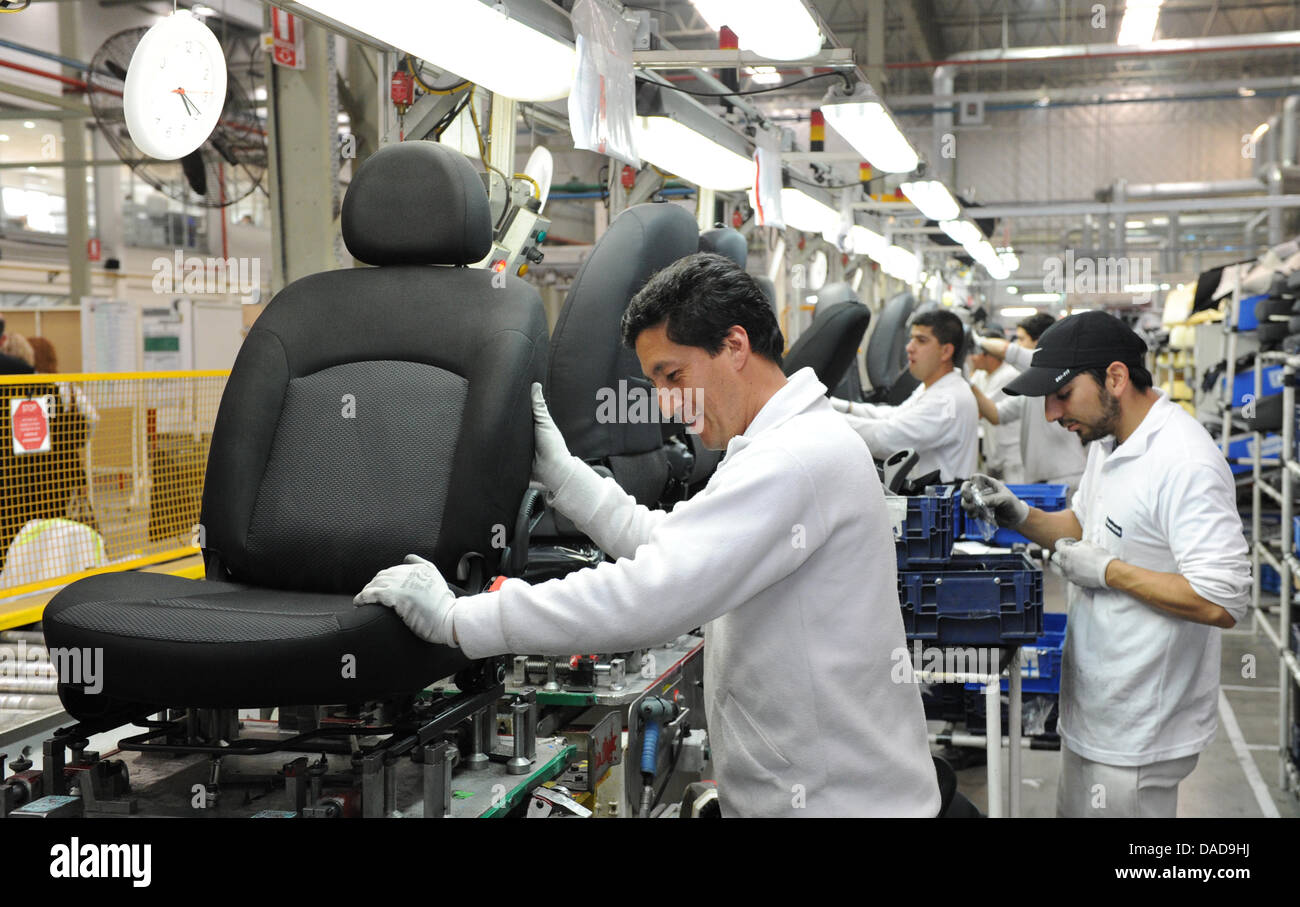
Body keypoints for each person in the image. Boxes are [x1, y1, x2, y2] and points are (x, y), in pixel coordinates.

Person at [356, 253, 941, 817]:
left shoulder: (792, 460)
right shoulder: (779, 445)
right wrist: (567, 479)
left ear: (735, 346)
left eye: (673, 374)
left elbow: (652, 594)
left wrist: (463, 621)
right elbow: (677, 546)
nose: (666, 402)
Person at [959, 310, 1249, 818]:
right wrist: (1020, 514)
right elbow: (1084, 527)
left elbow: (1221, 599)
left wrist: (1109, 572)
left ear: (1115, 378)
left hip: (1141, 730)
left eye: (1062, 395)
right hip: (1095, 710)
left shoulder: (1184, 462)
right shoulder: (1109, 441)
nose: (1050, 414)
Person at [828, 308, 978, 483]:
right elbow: (895, 415)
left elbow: (886, 439)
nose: (909, 348)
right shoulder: (934, 388)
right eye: (911, 339)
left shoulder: (947, 400)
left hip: (942, 505)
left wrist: (825, 419)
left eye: (921, 341)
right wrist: (839, 406)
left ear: (945, 351)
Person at [969, 312, 1087, 493]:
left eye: (1022, 339)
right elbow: (996, 414)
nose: (1018, 344)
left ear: (1039, 341)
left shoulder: (1053, 365)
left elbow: (1008, 351)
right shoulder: (1034, 391)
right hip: (1040, 480)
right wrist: (968, 384)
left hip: (1064, 477)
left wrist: (975, 339)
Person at [968, 331, 1023, 482]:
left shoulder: (1008, 375)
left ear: (990, 356)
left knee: (1015, 497)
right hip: (993, 451)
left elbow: (980, 410)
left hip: (1012, 455)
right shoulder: (981, 375)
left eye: (976, 353)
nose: (972, 358)